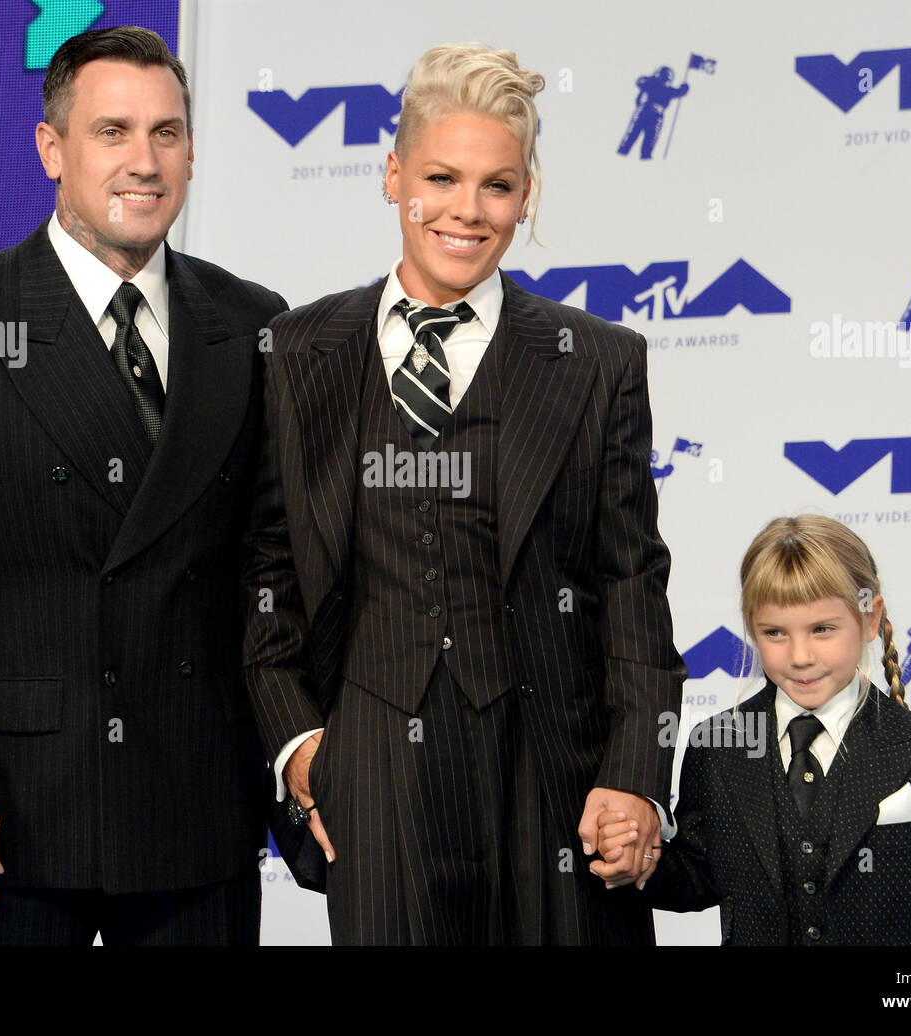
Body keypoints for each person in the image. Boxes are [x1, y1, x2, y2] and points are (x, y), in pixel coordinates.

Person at [0, 26, 285, 945]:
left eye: (167, 133)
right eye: (113, 131)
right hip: (12, 822)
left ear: (194, 151)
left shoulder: (252, 322)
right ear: (52, 150)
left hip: (198, 814)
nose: (145, 161)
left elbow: (272, 567)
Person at [243, 43, 686, 944]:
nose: (467, 210)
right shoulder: (296, 354)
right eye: (442, 176)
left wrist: (637, 774)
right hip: (374, 779)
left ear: (526, 196)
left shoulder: (597, 362)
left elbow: (633, 586)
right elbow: (266, 572)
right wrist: (299, 748)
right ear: (393, 174)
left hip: (557, 783)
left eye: (498, 185)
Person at [633, 515, 911, 944]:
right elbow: (696, 875)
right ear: (752, 629)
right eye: (775, 633)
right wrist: (636, 856)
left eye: (822, 629)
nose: (800, 655)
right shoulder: (717, 745)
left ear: (868, 619)